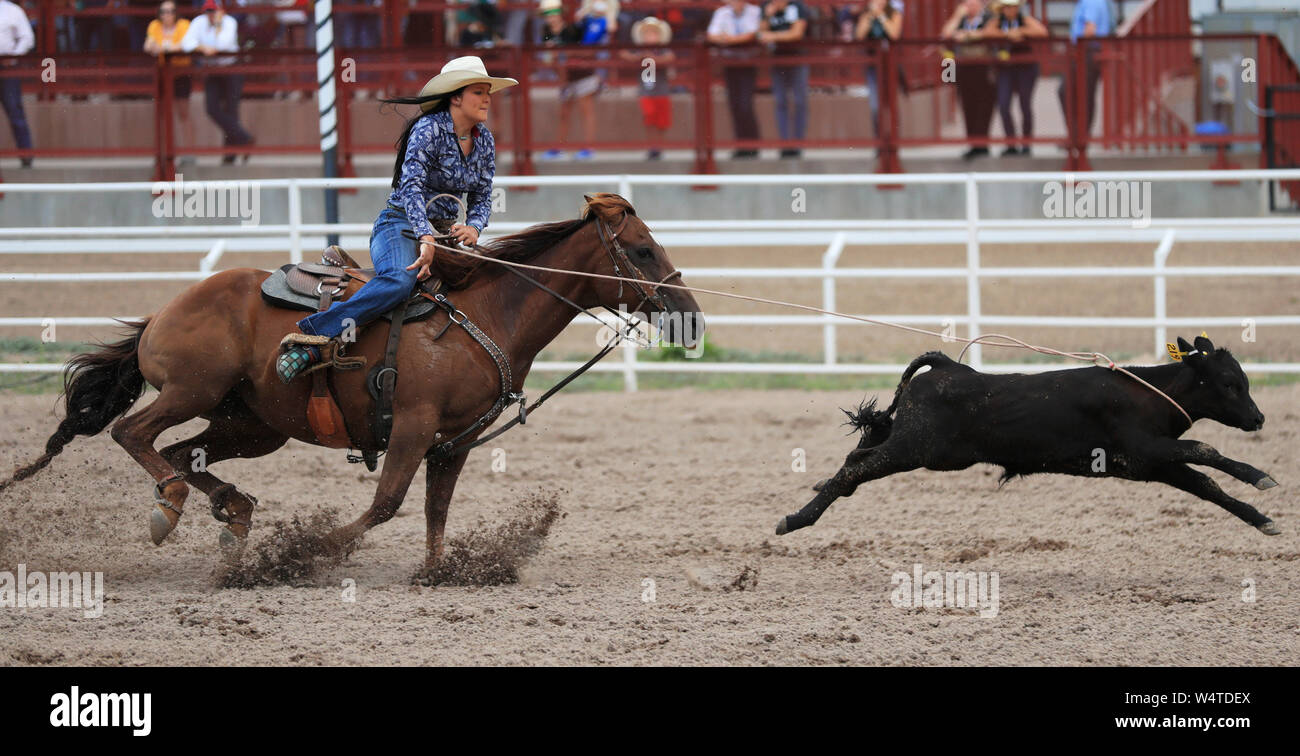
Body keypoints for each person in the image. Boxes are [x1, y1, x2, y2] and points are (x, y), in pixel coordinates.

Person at [277, 56, 517, 383]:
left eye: (488, 91)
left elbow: (483, 193)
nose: (487, 98)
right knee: (399, 281)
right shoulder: (428, 129)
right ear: (456, 97)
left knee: (484, 287)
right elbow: (412, 186)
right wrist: (425, 236)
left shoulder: (484, 139)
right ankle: (315, 336)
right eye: (478, 91)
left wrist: (474, 226)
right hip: (400, 224)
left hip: (446, 234)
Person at [181, 0, 255, 164]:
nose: (210, 15)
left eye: (213, 11)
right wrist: (202, 48)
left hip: (231, 68)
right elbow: (186, 44)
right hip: (213, 70)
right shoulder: (199, 22)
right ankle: (244, 138)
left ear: (221, 11)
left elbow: (222, 44)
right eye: (208, 11)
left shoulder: (229, 22)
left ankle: (230, 156)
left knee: (231, 110)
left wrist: (218, 25)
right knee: (212, 109)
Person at [539, 0, 602, 160]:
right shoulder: (546, 32)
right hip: (565, 78)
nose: (551, 17)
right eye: (548, 14)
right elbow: (549, 59)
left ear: (561, 13)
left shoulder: (574, 29)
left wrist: (564, 54)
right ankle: (560, 147)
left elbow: (585, 50)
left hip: (583, 75)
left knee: (585, 110)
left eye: (554, 13)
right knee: (564, 113)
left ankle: (589, 147)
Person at [982, 0, 1045, 156]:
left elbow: (1042, 32)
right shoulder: (997, 22)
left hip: (1026, 68)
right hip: (1005, 69)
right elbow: (986, 32)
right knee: (1003, 104)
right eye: (1007, 7)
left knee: (1025, 104)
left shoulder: (1025, 20)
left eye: (1013, 6)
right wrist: (1007, 34)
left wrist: (1021, 32)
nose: (1010, 10)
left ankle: (1026, 143)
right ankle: (1011, 143)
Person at [707, 0, 761, 159]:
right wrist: (736, 39)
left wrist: (729, 40)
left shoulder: (754, 12)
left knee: (745, 104)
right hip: (730, 64)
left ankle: (752, 145)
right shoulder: (722, 13)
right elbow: (712, 35)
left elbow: (753, 34)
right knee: (735, 105)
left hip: (748, 63)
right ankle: (741, 146)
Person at [941, 0, 993, 160]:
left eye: (973, 3)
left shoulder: (989, 18)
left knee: (984, 107)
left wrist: (968, 35)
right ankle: (973, 144)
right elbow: (946, 35)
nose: (970, 7)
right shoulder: (961, 20)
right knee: (967, 106)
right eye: (967, 4)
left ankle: (982, 144)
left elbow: (992, 33)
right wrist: (957, 17)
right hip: (964, 70)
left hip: (984, 69)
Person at [758, 0, 809, 159]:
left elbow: (797, 33)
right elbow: (760, 34)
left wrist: (773, 36)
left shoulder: (797, 6)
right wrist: (767, 17)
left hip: (798, 58)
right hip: (777, 60)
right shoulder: (766, 6)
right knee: (780, 102)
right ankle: (785, 143)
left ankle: (798, 144)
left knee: (800, 101)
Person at [145, 2, 194, 156]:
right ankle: (163, 152)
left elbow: (186, 45)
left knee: (183, 113)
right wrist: (167, 47)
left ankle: (188, 152)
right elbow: (148, 46)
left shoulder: (183, 24)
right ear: (159, 13)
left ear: (176, 13)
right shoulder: (154, 25)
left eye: (171, 11)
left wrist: (163, 48)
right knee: (161, 114)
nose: (167, 15)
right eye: (164, 11)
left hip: (180, 73)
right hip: (161, 74)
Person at [1060, 0, 1111, 143]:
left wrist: (1077, 51)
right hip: (1087, 50)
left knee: (1079, 94)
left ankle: (1079, 137)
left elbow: (1090, 29)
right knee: (1079, 93)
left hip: (1086, 51)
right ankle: (1078, 135)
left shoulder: (1091, 2)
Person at [624, 16, 674, 160]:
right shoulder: (640, 51)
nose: (650, 36)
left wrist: (653, 58)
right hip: (646, 90)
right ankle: (651, 145)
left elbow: (670, 57)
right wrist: (641, 56)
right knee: (649, 115)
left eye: (653, 33)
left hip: (661, 90)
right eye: (647, 33)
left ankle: (659, 146)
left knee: (662, 120)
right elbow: (625, 55)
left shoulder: (663, 50)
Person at [854, 0, 902, 140]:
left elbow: (894, 34)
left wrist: (881, 16)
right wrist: (870, 16)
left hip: (890, 64)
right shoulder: (866, 14)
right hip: (873, 66)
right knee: (875, 106)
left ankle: (893, 140)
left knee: (891, 104)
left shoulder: (893, 12)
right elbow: (859, 35)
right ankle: (879, 140)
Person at [0, 0, 33, 168]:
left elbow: (27, 37)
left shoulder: (13, 10)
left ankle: (26, 155)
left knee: (15, 111)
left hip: (8, 67)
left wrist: (14, 55)